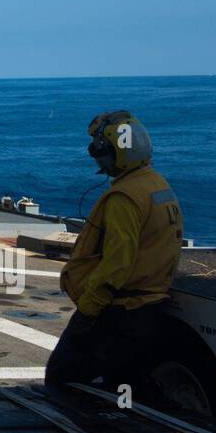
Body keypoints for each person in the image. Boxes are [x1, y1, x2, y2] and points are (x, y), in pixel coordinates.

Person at [45, 111, 185, 404]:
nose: (98, 159)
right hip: (148, 307)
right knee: (124, 385)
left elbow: (117, 262)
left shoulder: (124, 197)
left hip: (119, 311)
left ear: (116, 154)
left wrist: (88, 310)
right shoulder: (158, 186)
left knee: (62, 379)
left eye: (102, 152)